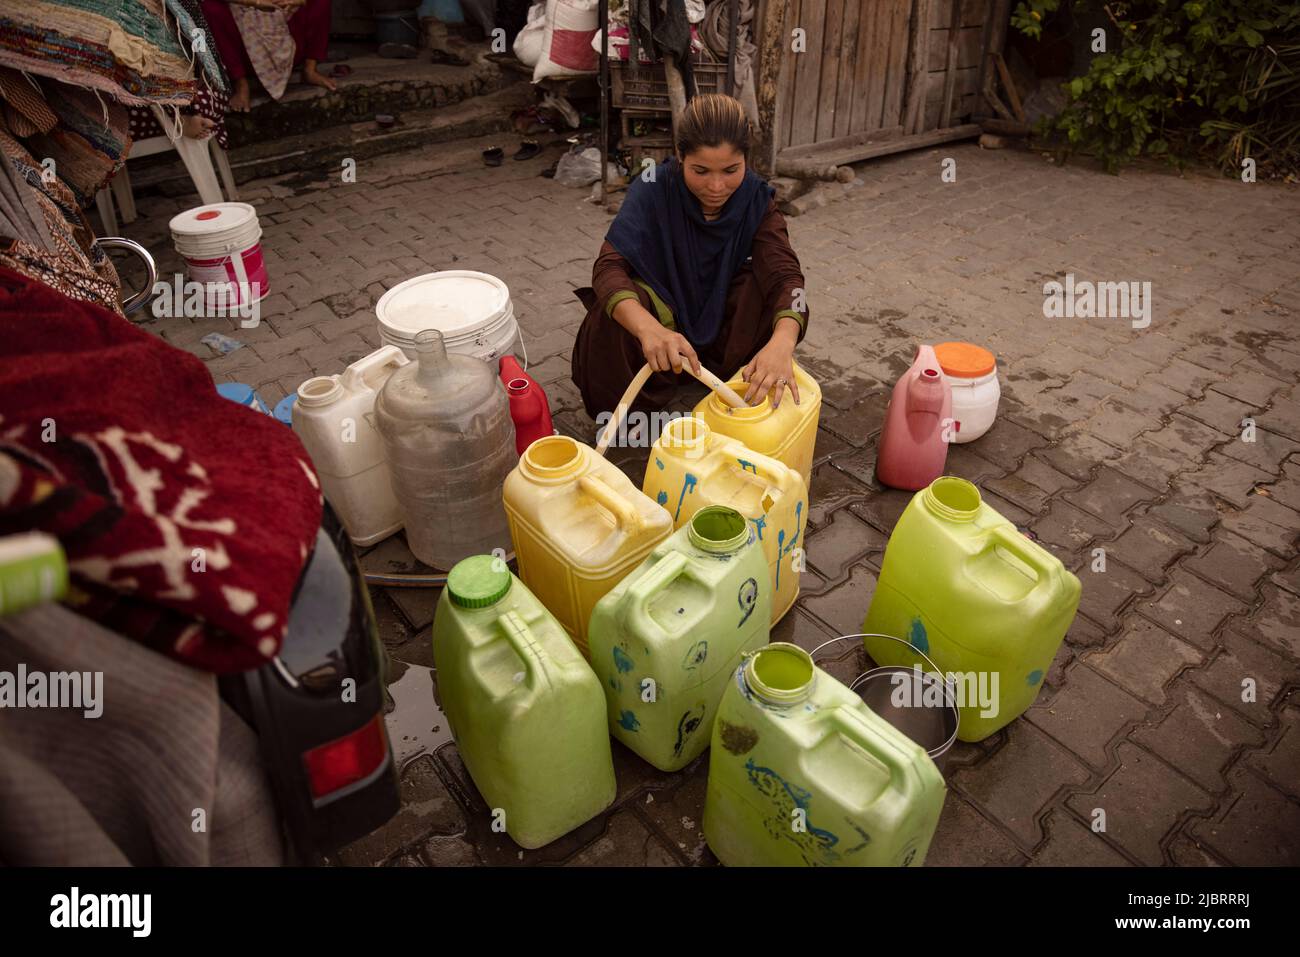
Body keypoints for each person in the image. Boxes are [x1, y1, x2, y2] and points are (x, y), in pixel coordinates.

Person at [571, 93, 809, 421]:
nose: (715, 186)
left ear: (746, 160)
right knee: (614, 308)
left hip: (722, 334)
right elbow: (608, 268)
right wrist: (647, 328)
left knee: (767, 287)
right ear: (680, 155)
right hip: (661, 320)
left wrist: (783, 342)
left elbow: (790, 282)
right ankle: (636, 413)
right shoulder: (653, 186)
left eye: (730, 170)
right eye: (700, 170)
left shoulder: (756, 199)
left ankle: (741, 379)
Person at [201, 0, 337, 113]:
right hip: (243, 50)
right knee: (210, 7)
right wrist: (256, 3)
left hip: (288, 37)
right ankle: (241, 84)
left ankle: (310, 69)